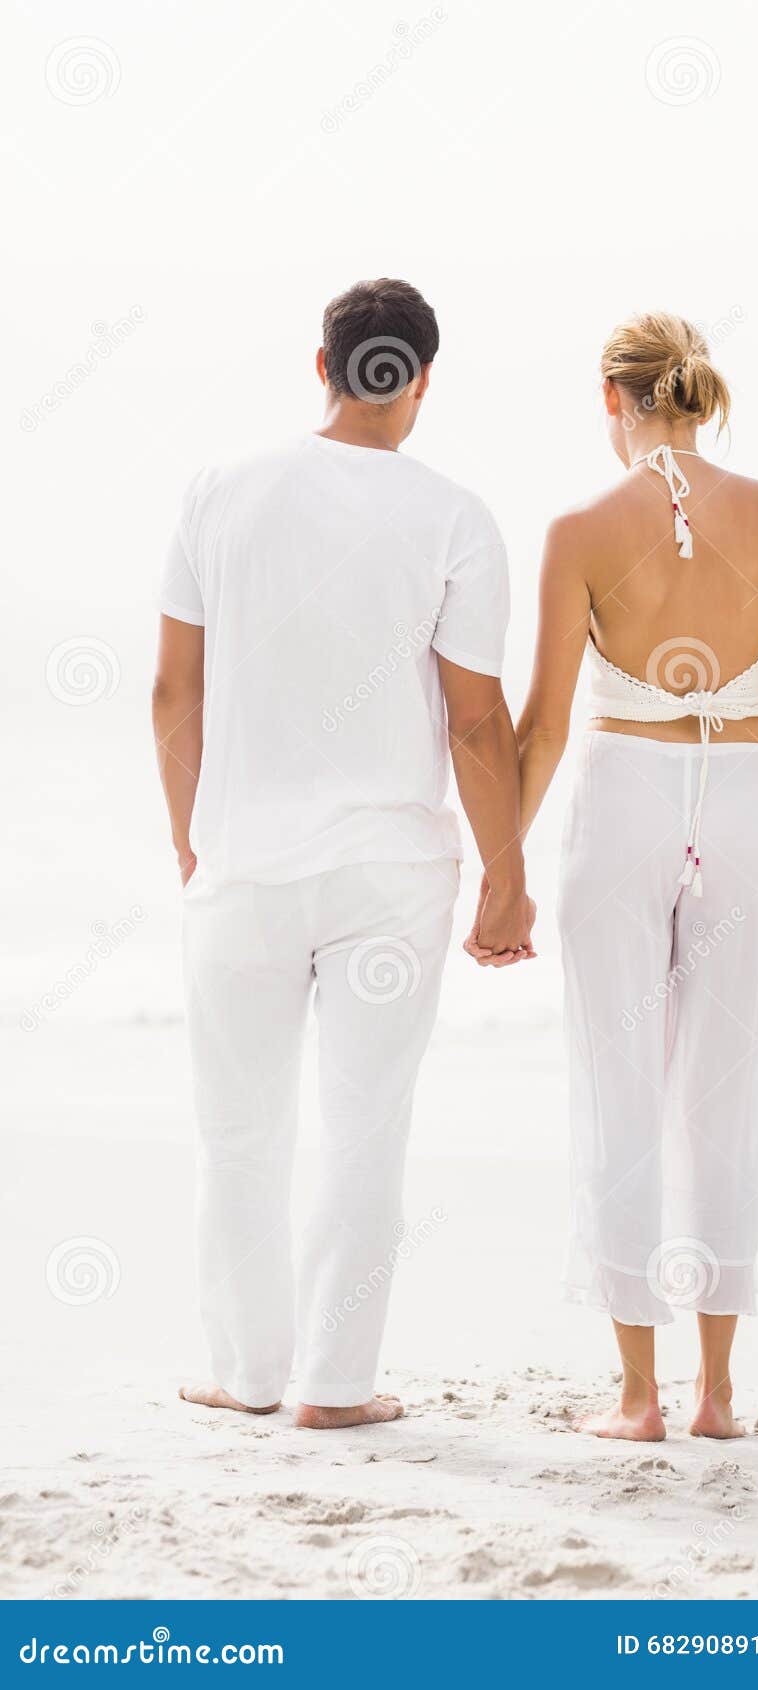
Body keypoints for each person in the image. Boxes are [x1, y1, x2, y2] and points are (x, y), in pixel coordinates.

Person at [153, 278, 534, 1429]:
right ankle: (333, 1386)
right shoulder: (456, 516)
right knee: (369, 1126)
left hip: (243, 873)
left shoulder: (217, 491)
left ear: (321, 366)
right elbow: (475, 722)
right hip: (388, 878)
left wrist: (191, 838)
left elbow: (176, 692)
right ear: (417, 380)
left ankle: (248, 1372)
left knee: (240, 1129)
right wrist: (505, 878)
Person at [503, 311, 758, 1441]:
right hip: (736, 788)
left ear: (614, 396)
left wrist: (498, 860)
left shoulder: (578, 526)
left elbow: (543, 725)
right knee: (728, 1090)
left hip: (621, 794)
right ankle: (719, 1394)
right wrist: (756, 822)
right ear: (695, 394)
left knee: (619, 1080)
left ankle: (636, 1396)